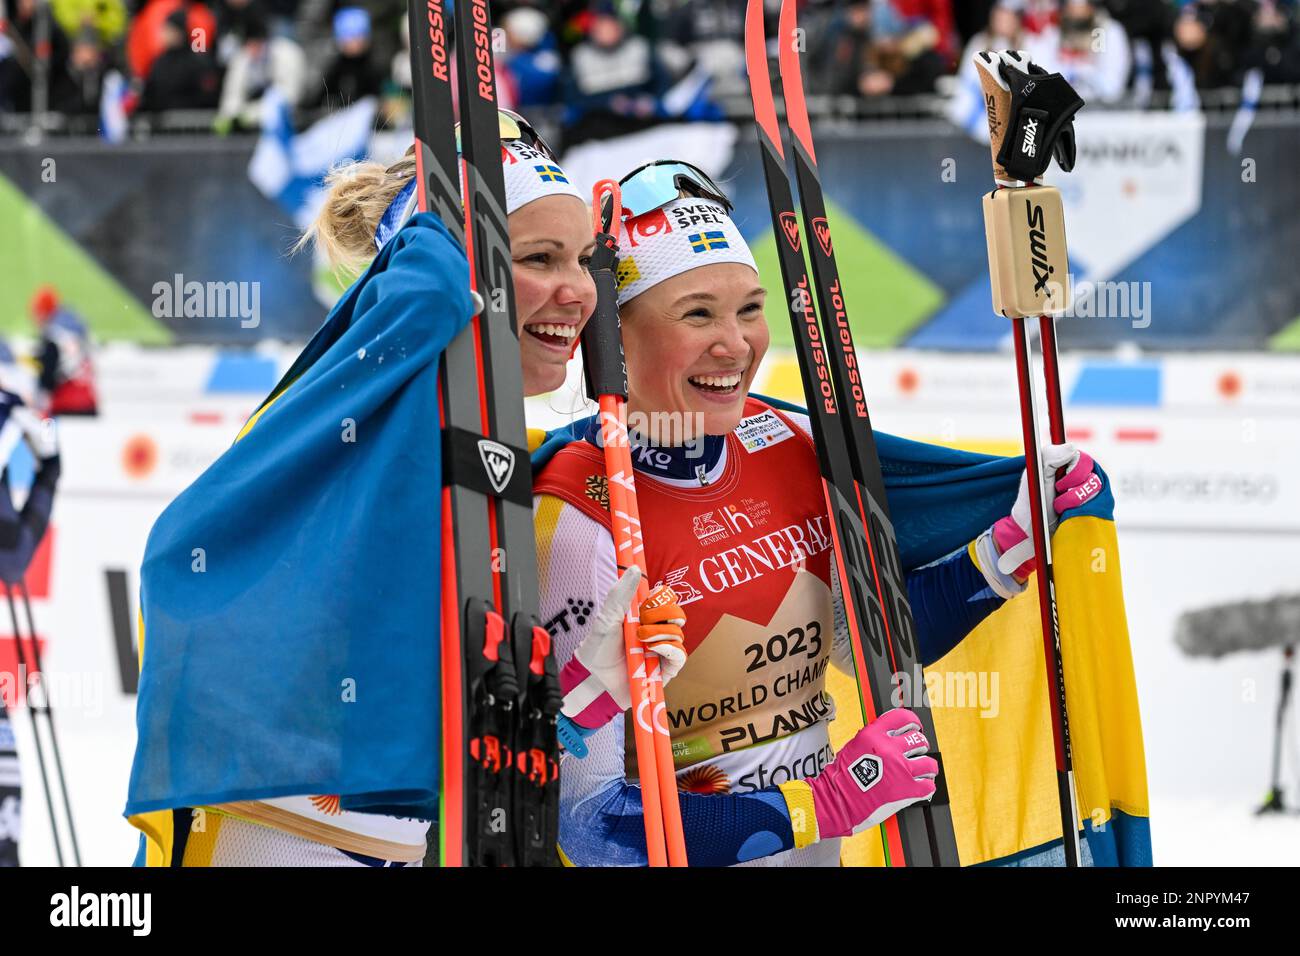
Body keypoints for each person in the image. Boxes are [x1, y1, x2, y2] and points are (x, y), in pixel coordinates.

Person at [127, 110, 682, 866]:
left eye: (583, 259)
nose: (577, 291)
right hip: (269, 837)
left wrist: (591, 683)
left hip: (396, 849)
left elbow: (476, 742)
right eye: (540, 258)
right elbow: (179, 554)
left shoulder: (490, 451)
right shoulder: (356, 409)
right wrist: (429, 250)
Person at [531, 161, 1104, 866]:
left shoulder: (789, 441)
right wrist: (823, 802)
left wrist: (1006, 551)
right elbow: (584, 824)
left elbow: (858, 643)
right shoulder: (583, 514)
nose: (736, 344)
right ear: (613, 343)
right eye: (698, 312)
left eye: (749, 308)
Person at [29, 287, 97, 417]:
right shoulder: (79, 333)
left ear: (42, 313)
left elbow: (48, 380)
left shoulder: (53, 336)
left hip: (65, 407)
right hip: (89, 405)